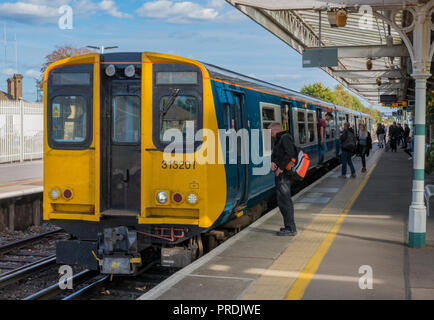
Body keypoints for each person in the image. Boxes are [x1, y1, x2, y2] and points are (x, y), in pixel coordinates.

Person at [269, 122, 298, 236]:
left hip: (284, 175)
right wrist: (272, 162)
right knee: (282, 201)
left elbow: (290, 153)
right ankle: (288, 226)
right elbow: (277, 153)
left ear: (276, 130)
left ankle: (291, 228)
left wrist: (281, 168)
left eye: (271, 132)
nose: (271, 134)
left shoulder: (285, 138)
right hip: (281, 175)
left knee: (285, 201)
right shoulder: (279, 139)